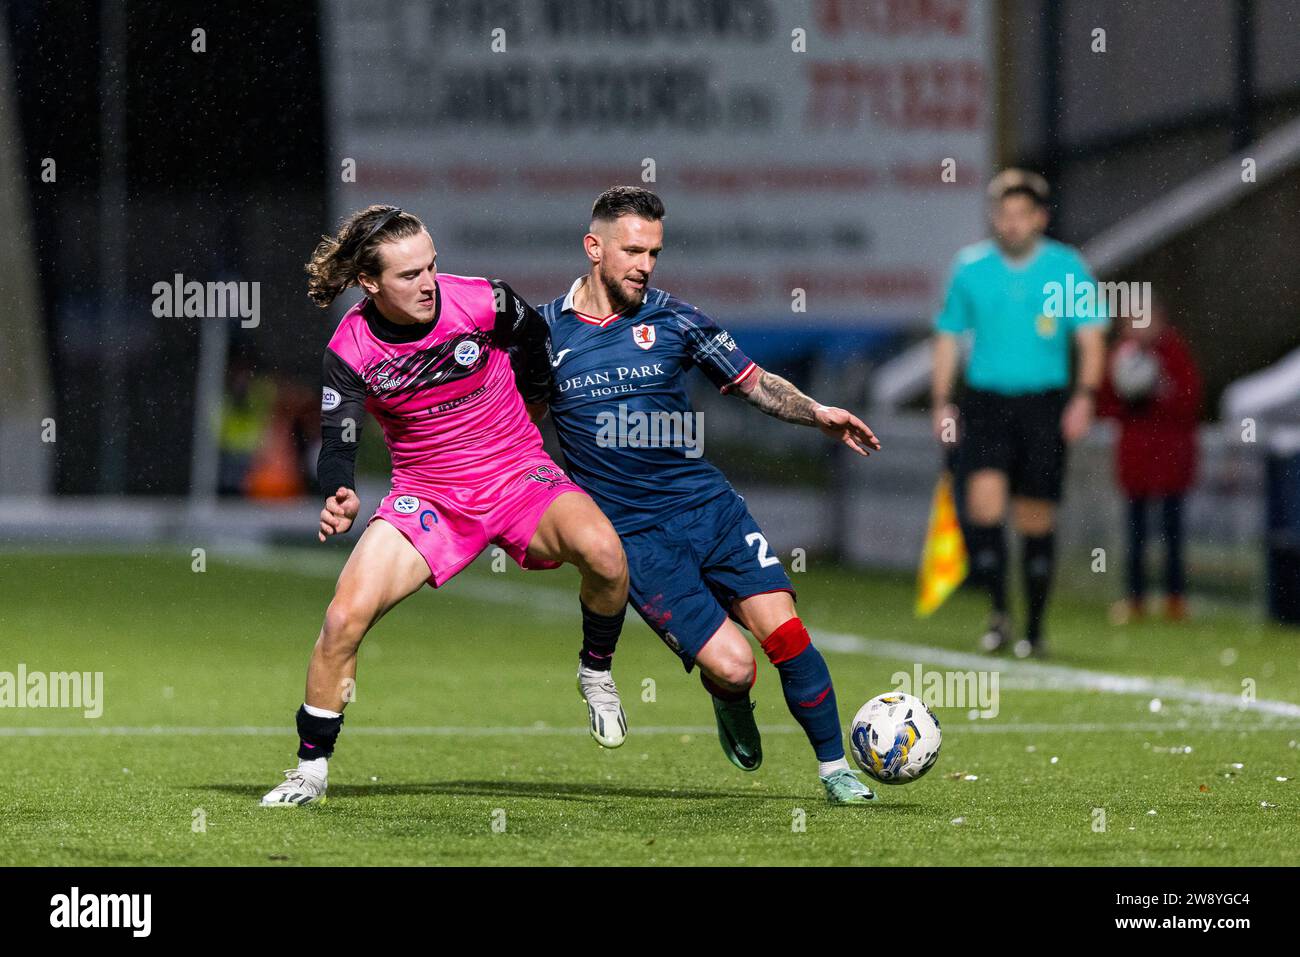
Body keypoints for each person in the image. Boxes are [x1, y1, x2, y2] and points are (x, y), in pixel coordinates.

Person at [260, 205, 629, 807]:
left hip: (517, 473)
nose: (428, 282)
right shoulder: (350, 349)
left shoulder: (484, 302)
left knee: (607, 556)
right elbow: (339, 436)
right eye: (409, 275)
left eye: (431, 266)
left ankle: (596, 670)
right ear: (369, 282)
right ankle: (310, 771)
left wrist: (536, 400)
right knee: (342, 620)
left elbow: (535, 339)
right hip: (429, 494)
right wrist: (339, 490)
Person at [533, 186, 883, 805]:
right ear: (594, 247)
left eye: (654, 253)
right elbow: (509, 423)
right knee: (735, 667)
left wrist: (816, 412)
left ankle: (836, 772)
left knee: (786, 634)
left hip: (709, 509)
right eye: (632, 251)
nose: (645, 265)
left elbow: (754, 382)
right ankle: (731, 700)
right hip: (635, 537)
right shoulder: (542, 336)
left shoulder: (676, 319)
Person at [930, 169, 1108, 658]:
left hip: (1043, 405)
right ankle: (999, 614)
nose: (1011, 223)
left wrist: (1085, 396)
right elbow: (948, 337)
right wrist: (942, 401)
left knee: (1034, 515)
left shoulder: (1066, 268)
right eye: (1003, 214)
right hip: (986, 403)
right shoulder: (970, 268)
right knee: (984, 506)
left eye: (1021, 214)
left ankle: (1034, 628)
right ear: (994, 218)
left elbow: (1091, 336)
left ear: (1039, 218)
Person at [1097, 299, 1201, 622]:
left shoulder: (1174, 353)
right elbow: (1105, 404)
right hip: (1137, 460)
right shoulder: (1121, 356)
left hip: (1171, 459)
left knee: (1172, 533)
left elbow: (1190, 401)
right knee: (1136, 533)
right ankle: (1135, 598)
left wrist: (1159, 390)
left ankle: (1175, 599)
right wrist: (1129, 396)